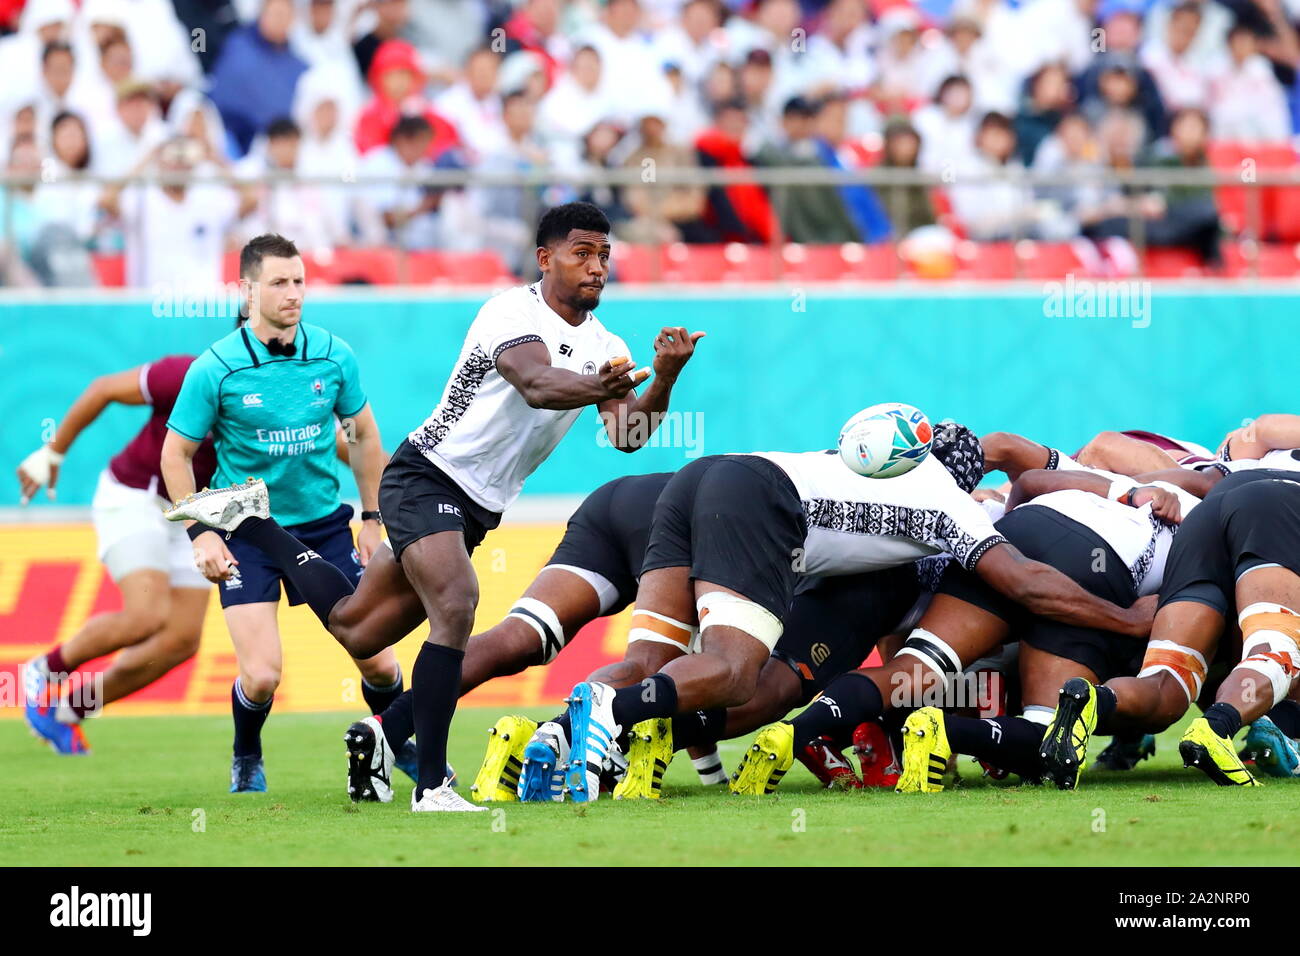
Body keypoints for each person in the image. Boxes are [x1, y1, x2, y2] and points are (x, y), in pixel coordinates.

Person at [164, 203, 706, 812]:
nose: (597, 266)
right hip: (427, 476)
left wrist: (662, 378)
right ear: (545, 258)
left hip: (475, 507)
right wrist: (607, 385)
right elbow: (536, 383)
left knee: (356, 625)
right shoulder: (511, 312)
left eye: (604, 254)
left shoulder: (605, 345)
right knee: (457, 601)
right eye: (582, 252)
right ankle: (432, 785)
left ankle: (252, 522)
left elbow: (629, 434)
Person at [555, 422, 1155, 802]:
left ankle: (555, 739)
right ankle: (617, 710)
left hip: (704, 478)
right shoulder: (949, 500)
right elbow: (1025, 584)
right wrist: (1129, 620)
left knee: (651, 660)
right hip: (772, 515)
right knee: (738, 676)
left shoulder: (862, 460)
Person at [159, 233, 404, 793]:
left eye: (298, 281)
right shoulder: (214, 368)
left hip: (323, 526)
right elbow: (176, 453)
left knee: (381, 664)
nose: (293, 293)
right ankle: (247, 752)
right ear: (247, 290)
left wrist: (372, 518)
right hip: (246, 531)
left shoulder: (333, 353)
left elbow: (364, 436)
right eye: (279, 283)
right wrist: (200, 532)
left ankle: (396, 741)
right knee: (264, 675)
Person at [20, 356, 218, 754]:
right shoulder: (188, 374)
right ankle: (46, 670)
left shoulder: (276, 397)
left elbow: (333, 440)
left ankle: (68, 711)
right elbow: (103, 389)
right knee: (145, 615)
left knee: (181, 640)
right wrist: (52, 454)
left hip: (194, 511)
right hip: (135, 495)